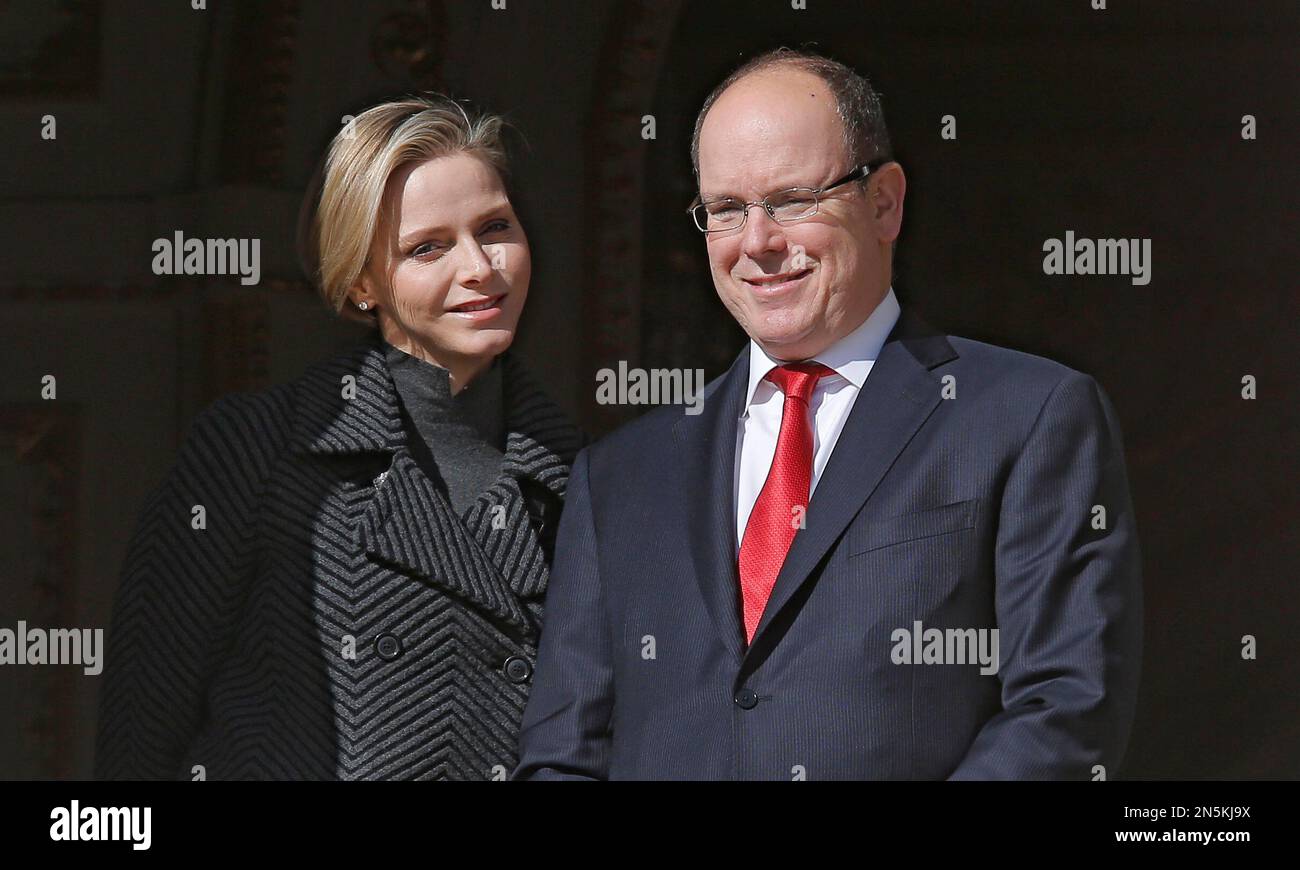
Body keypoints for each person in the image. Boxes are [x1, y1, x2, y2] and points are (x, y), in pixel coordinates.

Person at [515, 49, 1143, 780]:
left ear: (884, 202)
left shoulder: (1027, 418)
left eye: (792, 199)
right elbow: (566, 755)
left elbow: (1064, 709)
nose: (758, 243)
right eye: (725, 210)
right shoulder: (619, 474)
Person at [95, 94, 584, 780]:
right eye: (428, 247)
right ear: (361, 283)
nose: (480, 267)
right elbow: (141, 737)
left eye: (495, 227)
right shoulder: (256, 452)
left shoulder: (583, 480)